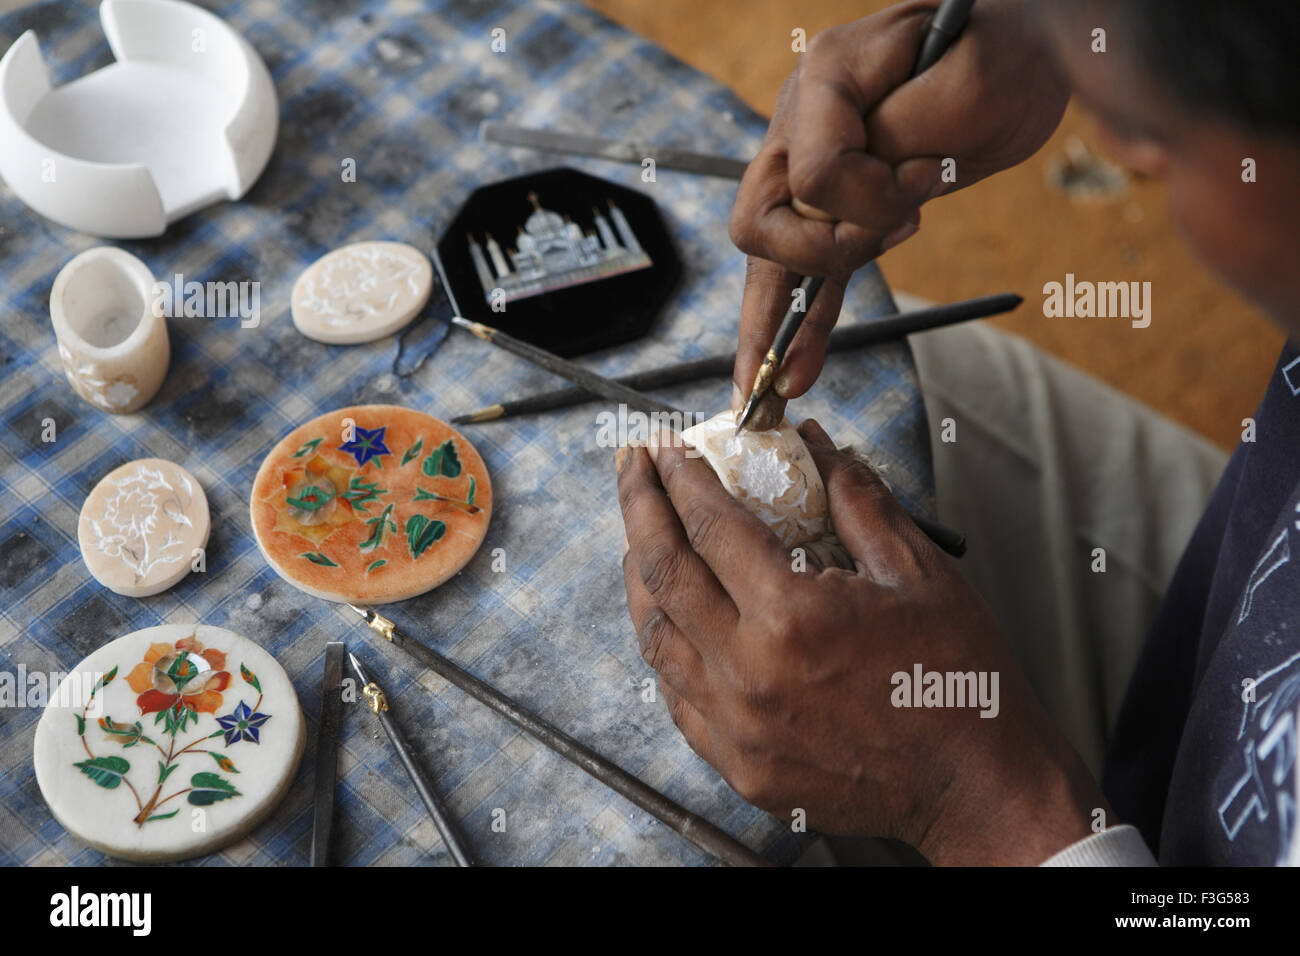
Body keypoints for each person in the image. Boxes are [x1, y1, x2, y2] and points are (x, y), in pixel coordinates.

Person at [614, 0, 1300, 865]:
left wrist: (974, 799)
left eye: (1152, 132)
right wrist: (1055, 39)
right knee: (938, 362)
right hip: (1233, 606)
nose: (1123, 150)